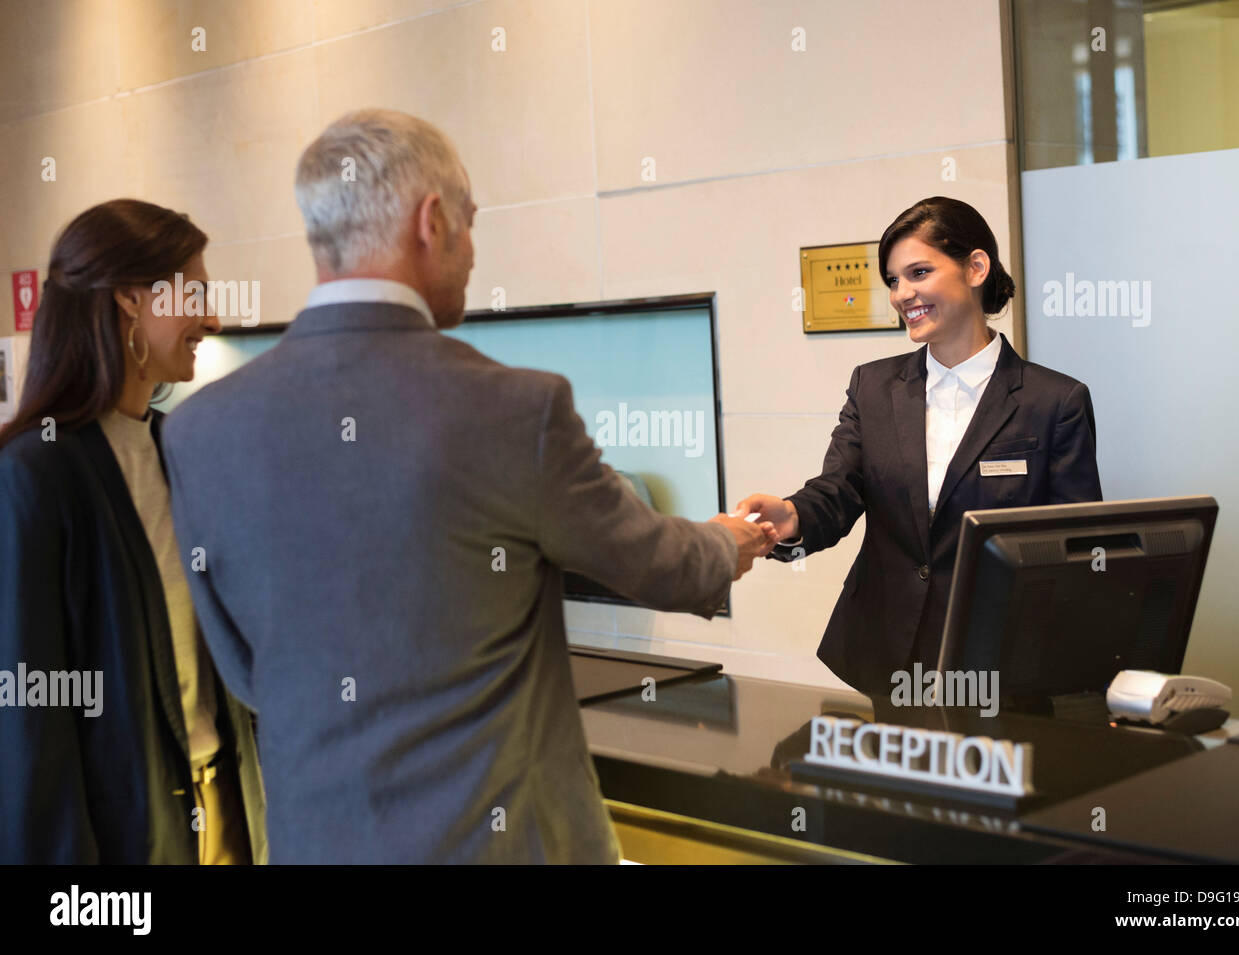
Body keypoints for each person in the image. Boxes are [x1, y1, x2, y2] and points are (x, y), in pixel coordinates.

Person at [160, 108, 777, 864]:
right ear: (432, 220)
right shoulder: (516, 407)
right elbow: (654, 560)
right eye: (472, 223)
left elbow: (244, 670)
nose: (474, 250)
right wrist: (730, 538)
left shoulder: (199, 430)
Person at [738, 197, 1102, 696]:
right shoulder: (872, 387)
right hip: (889, 651)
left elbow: (1073, 549)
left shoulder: (1055, 401)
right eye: (892, 279)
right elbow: (839, 490)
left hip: (1001, 665)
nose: (901, 293)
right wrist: (790, 516)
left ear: (976, 268)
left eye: (918, 272)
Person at [0, 199, 268, 863]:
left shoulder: (184, 451)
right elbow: (30, 722)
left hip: (228, 810)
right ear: (127, 298)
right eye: (195, 295)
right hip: (128, 841)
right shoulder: (35, 471)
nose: (211, 318)